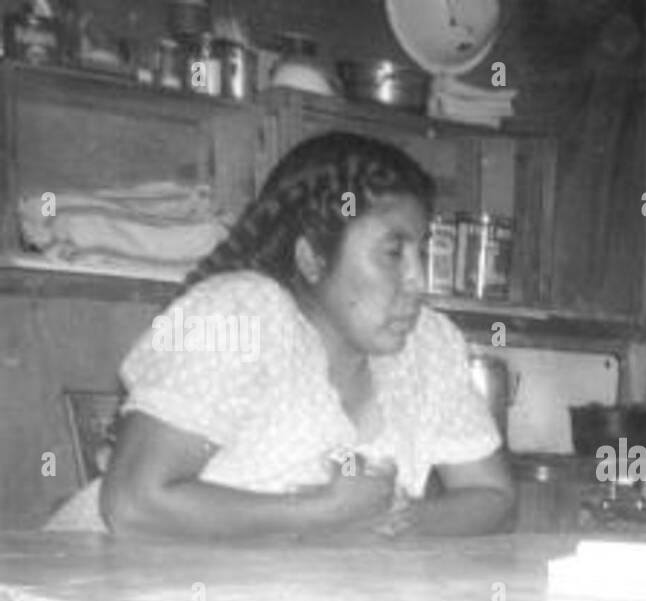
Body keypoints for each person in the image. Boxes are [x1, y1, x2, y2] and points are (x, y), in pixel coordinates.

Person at [47, 131, 514, 539]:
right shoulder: (239, 318)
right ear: (312, 258)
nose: (418, 281)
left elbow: (493, 497)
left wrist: (397, 524)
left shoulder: (427, 346)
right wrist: (324, 513)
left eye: (422, 252)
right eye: (394, 253)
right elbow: (134, 505)